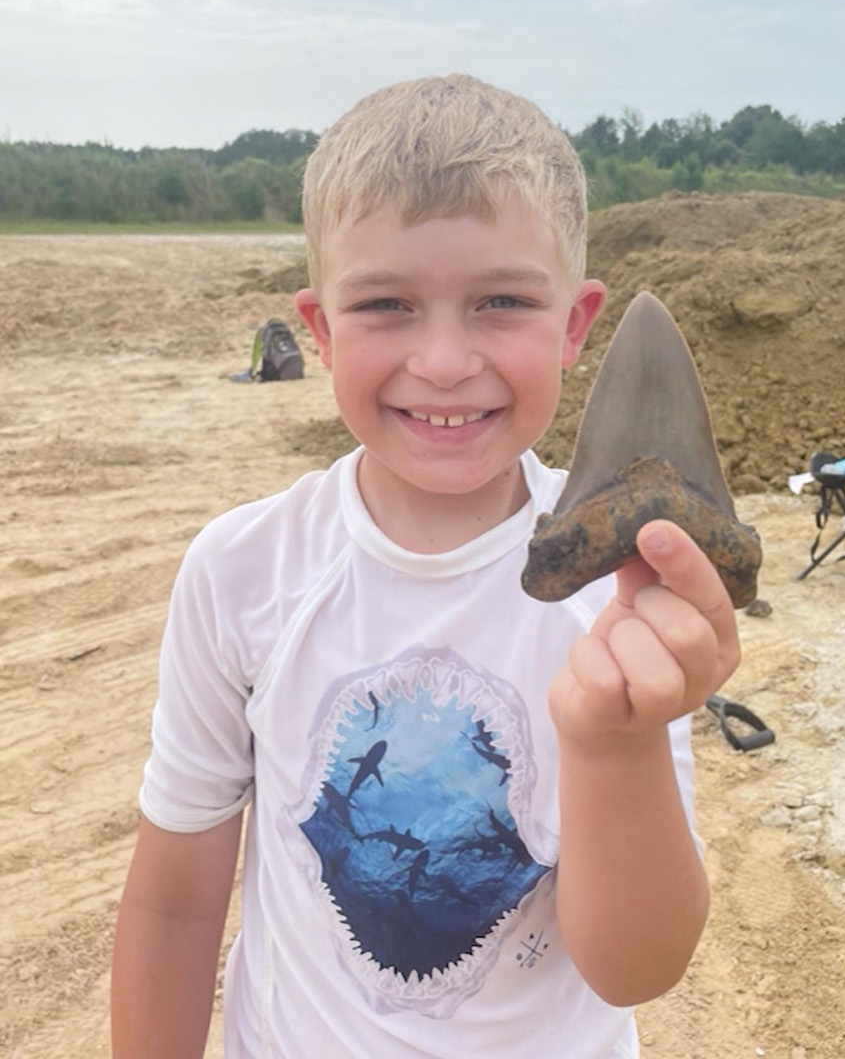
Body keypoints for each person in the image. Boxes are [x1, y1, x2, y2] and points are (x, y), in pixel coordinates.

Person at [109, 74, 738, 1057]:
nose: (443, 361)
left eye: (501, 301)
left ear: (576, 325)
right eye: (387, 305)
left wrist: (615, 745)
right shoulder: (242, 571)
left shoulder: (615, 583)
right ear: (317, 332)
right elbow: (176, 906)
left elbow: (635, 967)